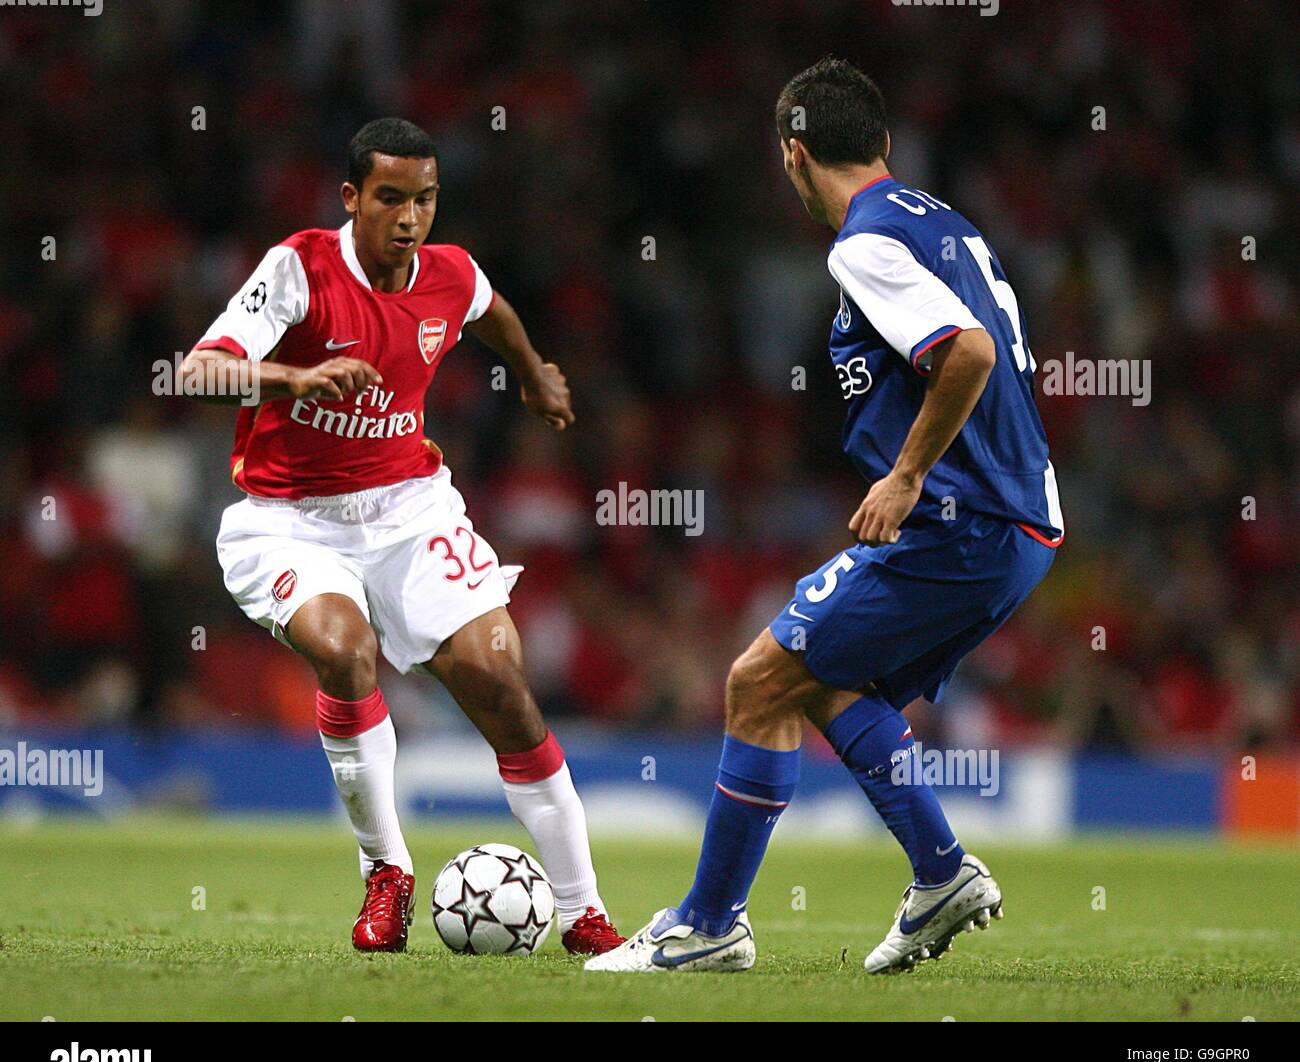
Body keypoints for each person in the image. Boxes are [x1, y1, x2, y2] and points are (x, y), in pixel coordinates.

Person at [587, 58, 1063, 975]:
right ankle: (939, 873)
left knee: (756, 681)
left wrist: (908, 475)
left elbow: (963, 350)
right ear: (881, 142)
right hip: (1015, 518)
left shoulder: (864, 242)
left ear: (793, 155)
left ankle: (708, 925)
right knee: (823, 679)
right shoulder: (941, 221)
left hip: (967, 519)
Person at [181, 118, 623, 956]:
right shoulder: (301, 266)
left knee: (500, 680)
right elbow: (198, 371)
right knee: (344, 651)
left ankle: (586, 915)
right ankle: (387, 870)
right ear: (352, 199)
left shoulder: (449, 275)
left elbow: (493, 312)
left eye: (424, 198)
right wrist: (292, 378)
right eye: (390, 197)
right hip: (289, 522)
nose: (409, 216)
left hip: (410, 510)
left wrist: (533, 374)